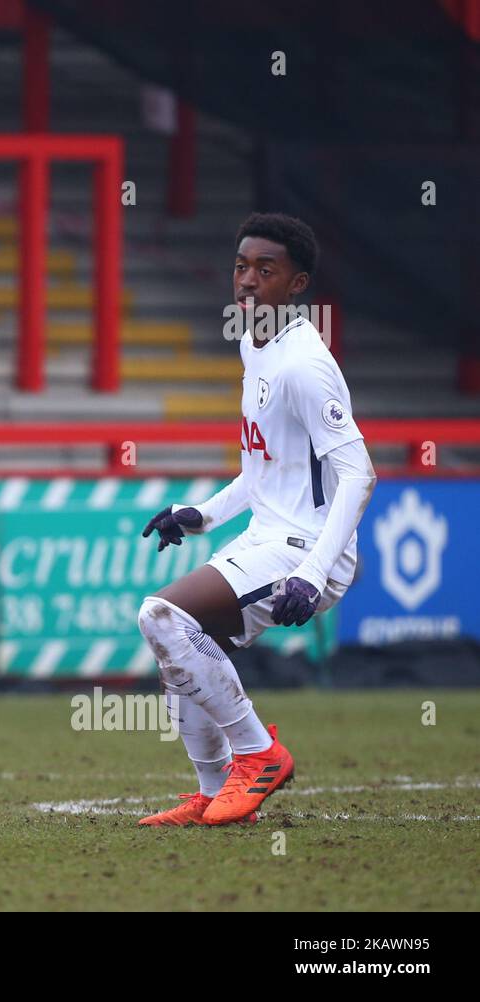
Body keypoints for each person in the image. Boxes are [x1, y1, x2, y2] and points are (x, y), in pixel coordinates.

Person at [136, 213, 377, 827]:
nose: (247, 281)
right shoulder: (254, 344)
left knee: (162, 615)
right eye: (241, 267)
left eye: (265, 271)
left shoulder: (304, 365)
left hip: (307, 550)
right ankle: (215, 793)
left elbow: (359, 474)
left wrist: (315, 575)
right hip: (267, 535)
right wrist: (201, 516)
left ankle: (258, 754)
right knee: (191, 643)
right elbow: (262, 470)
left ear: (298, 285)